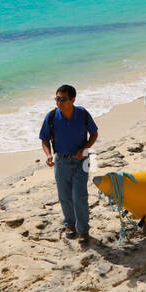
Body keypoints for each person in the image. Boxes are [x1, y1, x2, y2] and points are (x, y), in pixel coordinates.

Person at [39, 84, 99, 239]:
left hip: (82, 161)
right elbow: (44, 139)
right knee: (64, 196)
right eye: (57, 99)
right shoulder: (51, 117)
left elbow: (94, 134)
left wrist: (85, 149)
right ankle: (70, 226)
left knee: (80, 195)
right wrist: (48, 155)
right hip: (61, 161)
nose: (59, 102)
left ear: (73, 99)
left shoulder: (83, 114)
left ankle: (83, 230)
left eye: (63, 99)